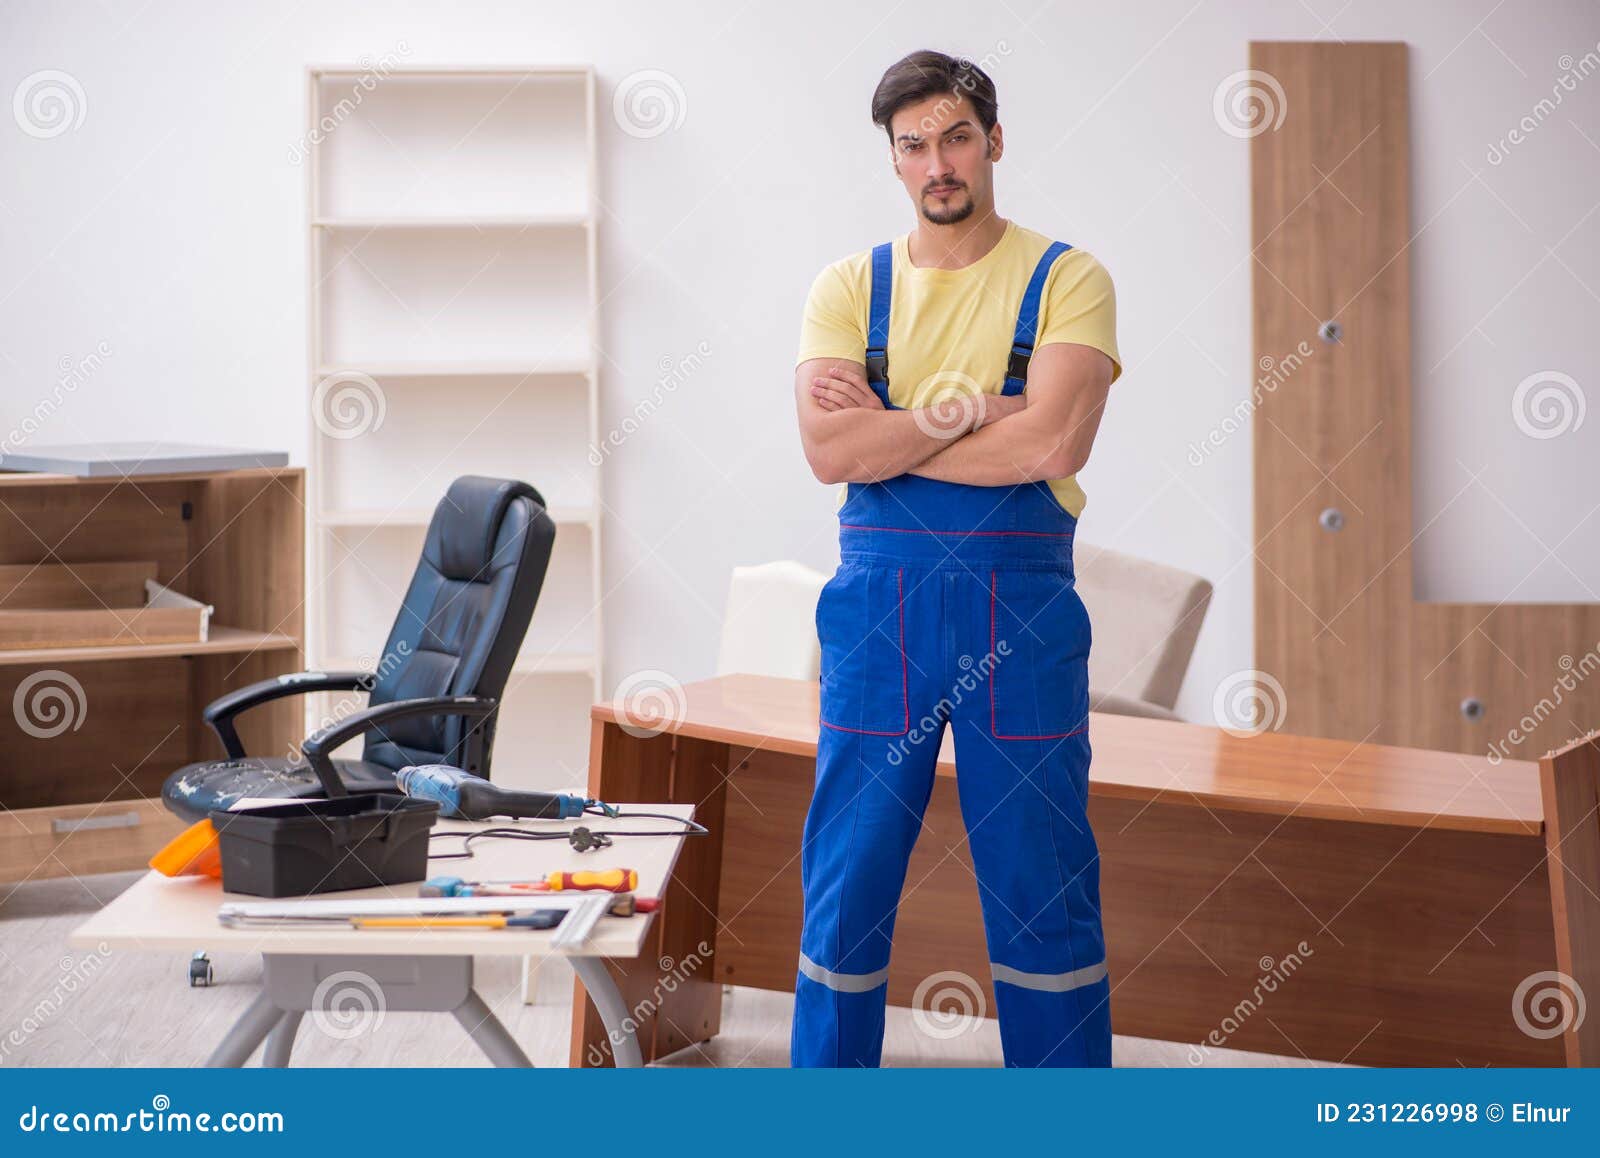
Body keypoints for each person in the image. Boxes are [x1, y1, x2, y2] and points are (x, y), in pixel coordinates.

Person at [790, 48, 1122, 1068]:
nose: (939, 162)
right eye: (914, 145)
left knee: (1042, 881)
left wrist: (899, 420)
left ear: (994, 141)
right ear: (892, 160)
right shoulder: (848, 286)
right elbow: (830, 452)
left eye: (957, 137)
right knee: (845, 880)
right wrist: (977, 404)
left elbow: (1053, 446)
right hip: (874, 619)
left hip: (1020, 619)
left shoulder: (1068, 277)